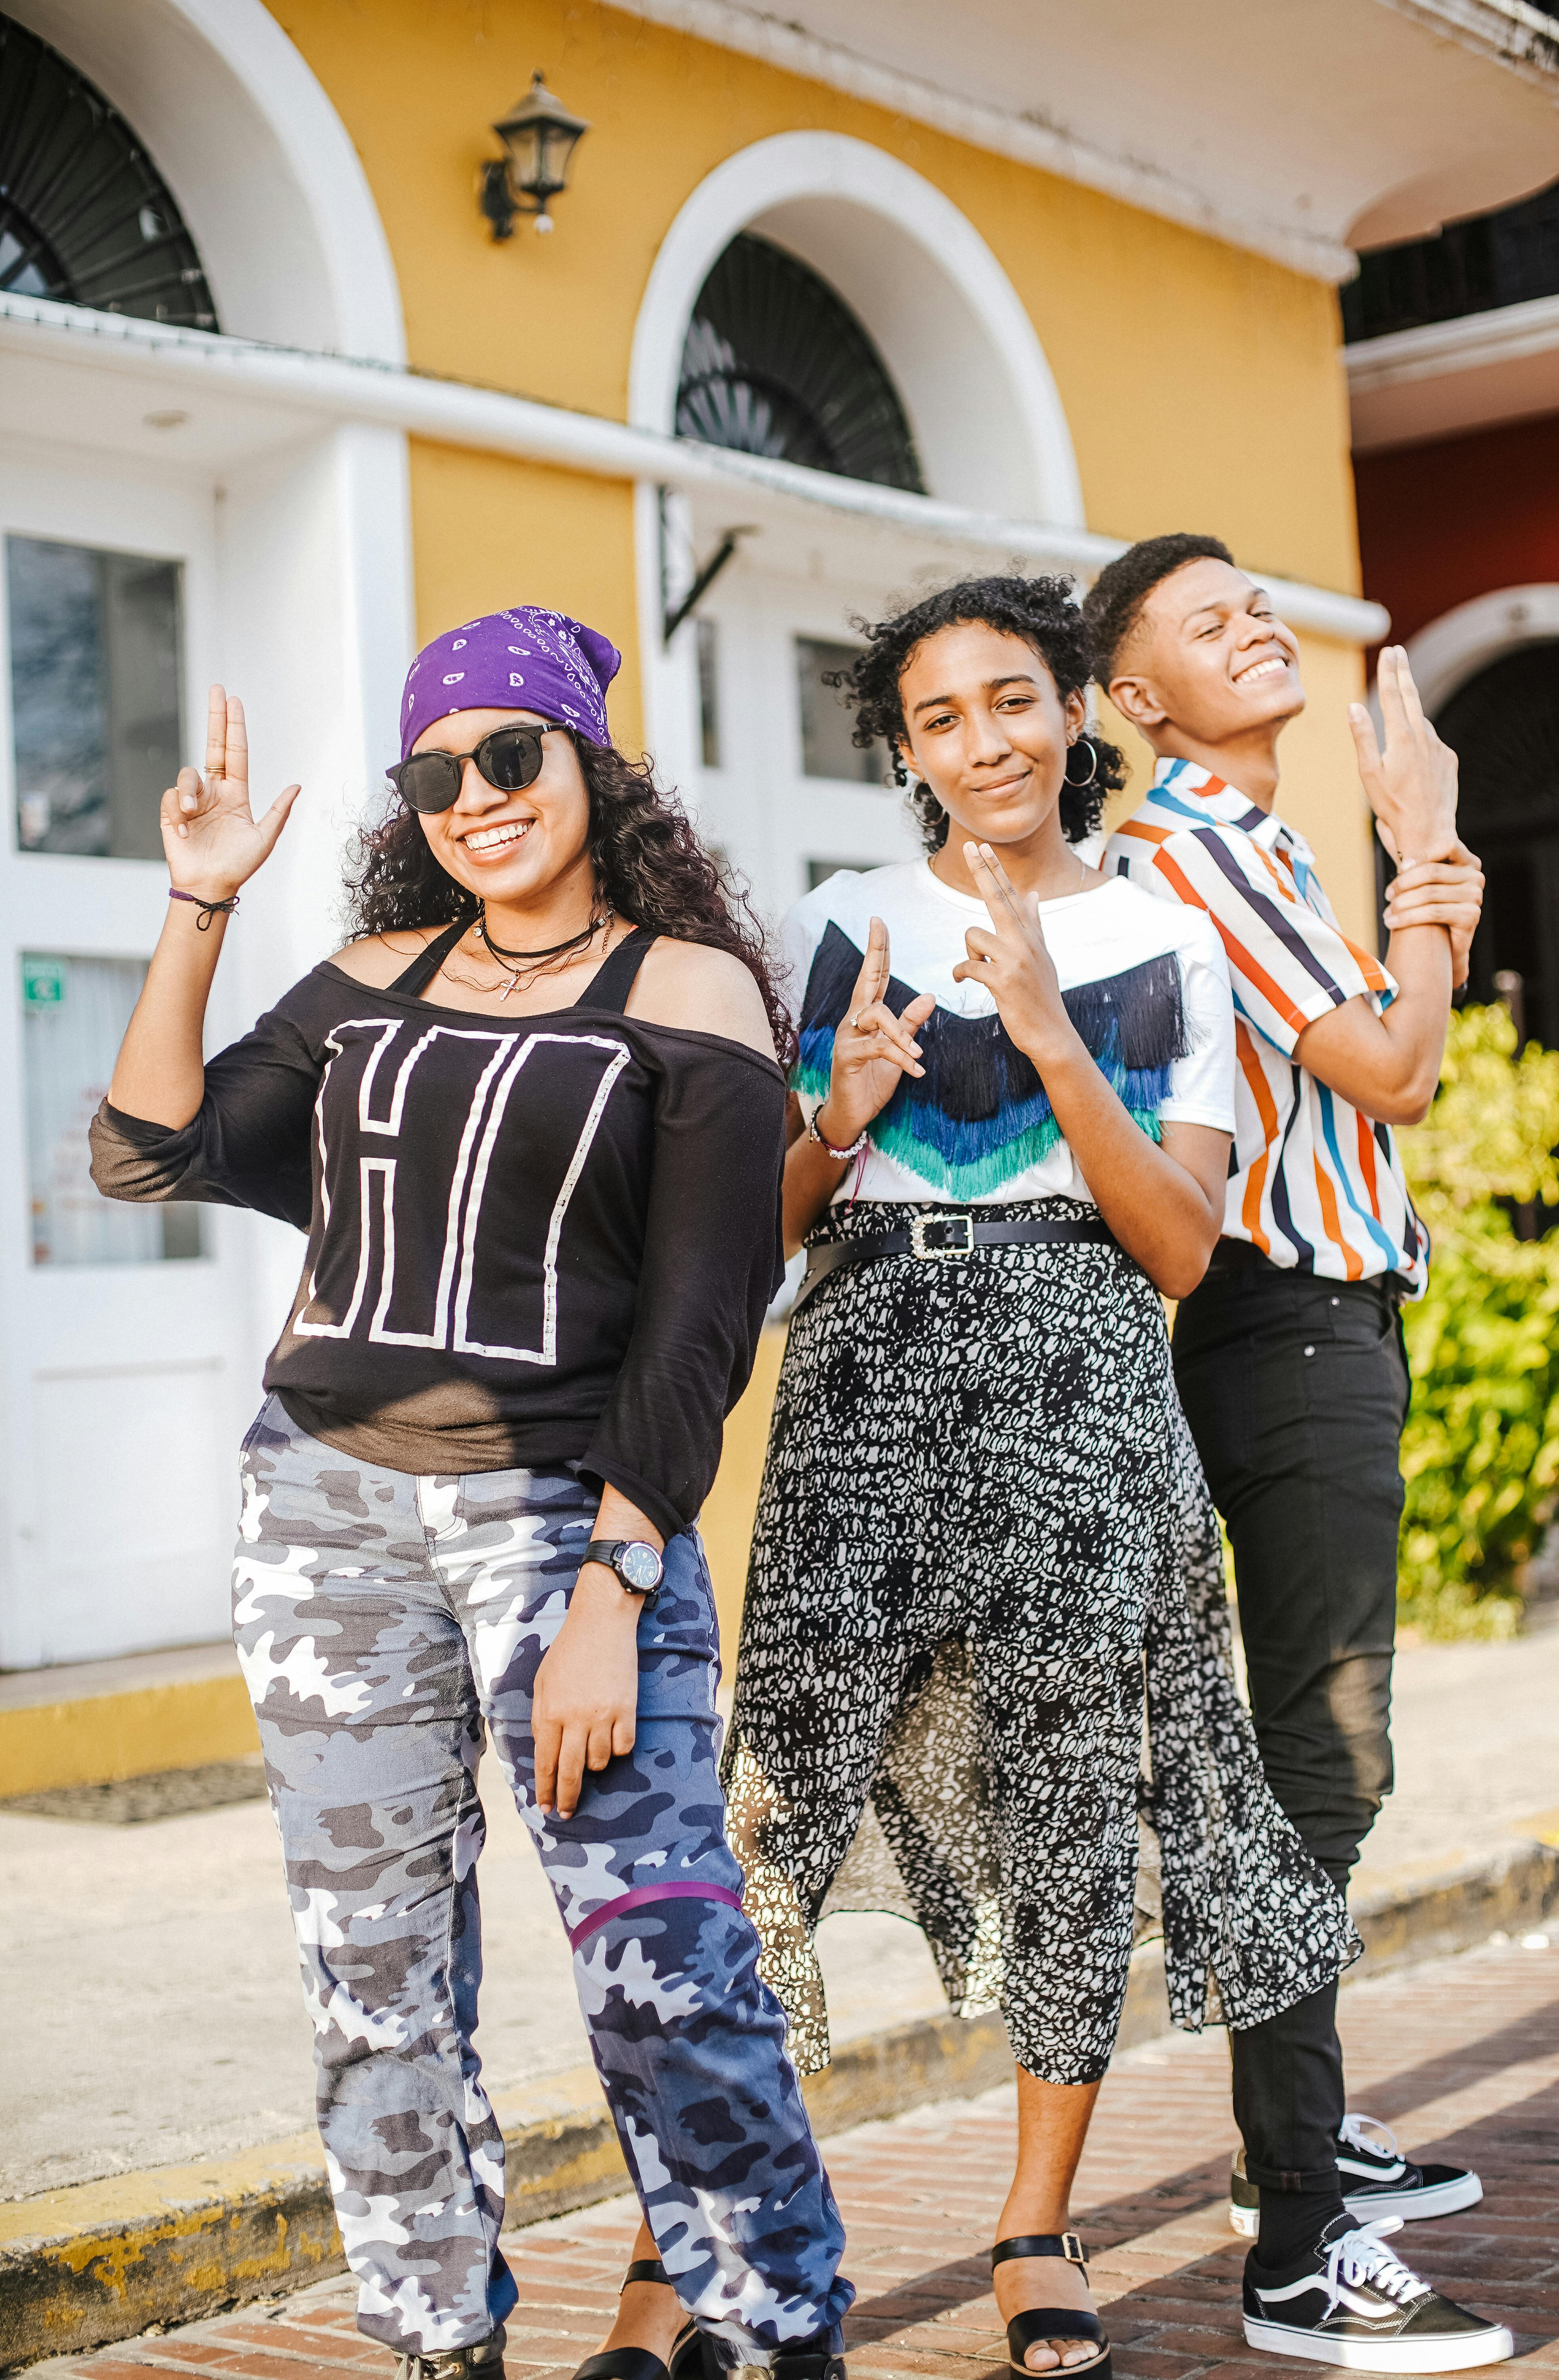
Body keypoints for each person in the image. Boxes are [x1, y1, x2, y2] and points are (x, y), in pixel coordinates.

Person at [89, 607, 853, 2380]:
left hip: (563, 1514)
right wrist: (199, 900)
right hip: (321, 1516)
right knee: (374, 1983)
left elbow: (700, 1323)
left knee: (664, 1963)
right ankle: (439, 2340)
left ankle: (771, 2327)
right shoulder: (371, 978)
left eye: (512, 755)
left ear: (591, 764)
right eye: (437, 773)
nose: (475, 797)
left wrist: (615, 1590)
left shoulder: (691, 988)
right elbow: (148, 1149)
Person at [721, 574, 1361, 2380]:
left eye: (1012, 701)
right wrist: (837, 1114)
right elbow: (768, 1227)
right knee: (788, 1783)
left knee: (1074, 1798)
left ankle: (1033, 2227)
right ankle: (718, 2221)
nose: (982, 743)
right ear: (904, 747)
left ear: (1075, 710)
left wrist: (1054, 1033)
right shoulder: (845, 921)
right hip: (861, 1381)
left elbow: (1175, 1246)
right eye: (939, 718)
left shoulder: (1163, 930)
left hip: (1082, 1374)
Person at [1089, 536, 1508, 2371]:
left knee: (1307, 1762)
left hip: (1303, 1330)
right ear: (1132, 698)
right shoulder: (1202, 851)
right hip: (1287, 1328)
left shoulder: (1240, 850)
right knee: (1316, 1768)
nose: (1253, 625)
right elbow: (1398, 1071)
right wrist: (1427, 850)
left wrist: (1417, 862)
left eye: (1254, 601)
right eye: (1204, 622)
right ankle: (1294, 2236)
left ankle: (1303, 2141)